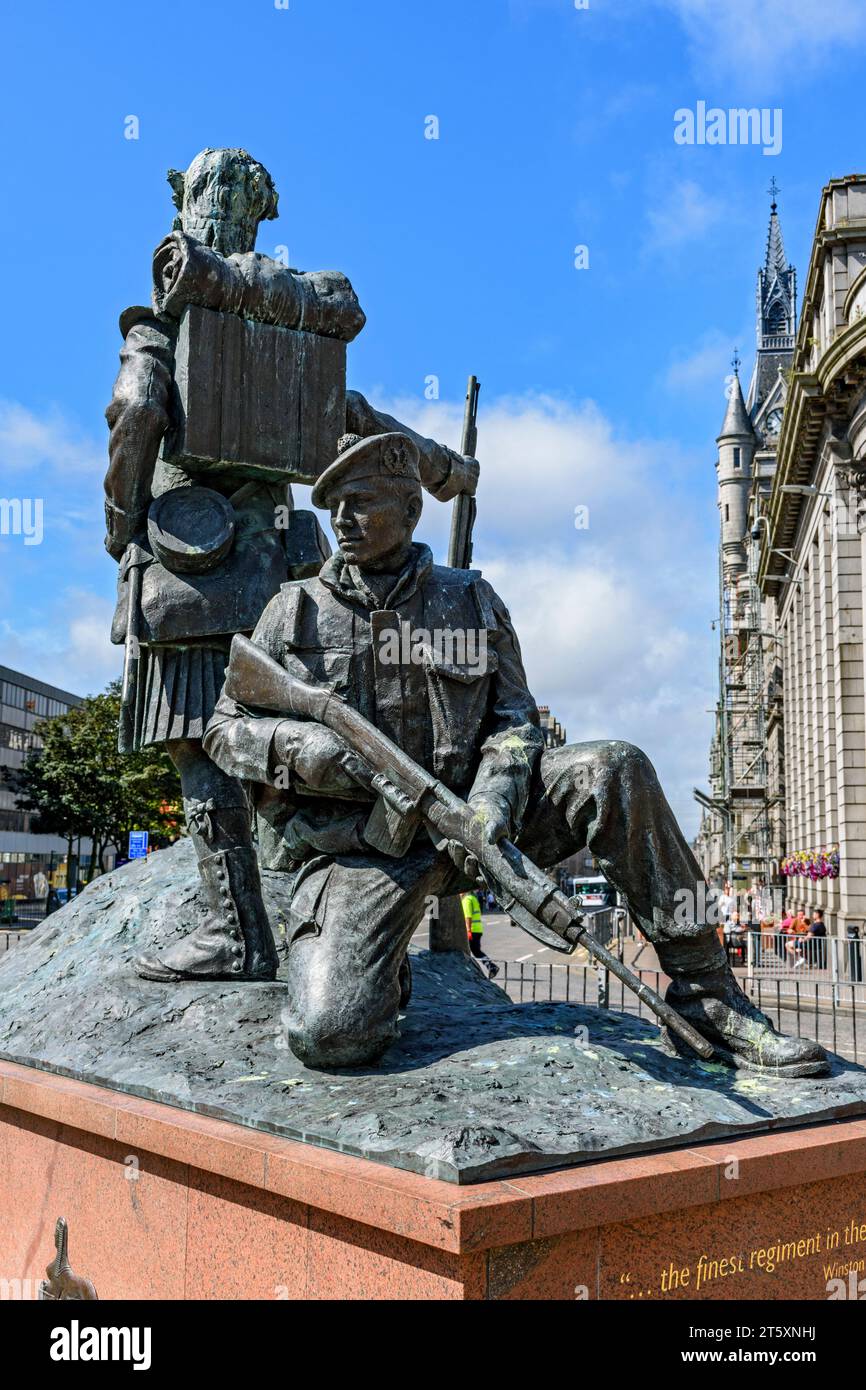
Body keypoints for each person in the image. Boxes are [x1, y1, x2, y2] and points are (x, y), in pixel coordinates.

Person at [202, 430, 828, 1076]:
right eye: (333, 504)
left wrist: (493, 799)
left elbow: (515, 719)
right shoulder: (295, 610)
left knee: (614, 767)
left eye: (360, 501)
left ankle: (708, 998)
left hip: (483, 825)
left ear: (411, 510)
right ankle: (379, 974)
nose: (341, 519)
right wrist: (299, 748)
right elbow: (225, 729)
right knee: (331, 1036)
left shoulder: (468, 599)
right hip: (365, 850)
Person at [461, 891, 499, 979]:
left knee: (465, 951)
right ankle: (491, 967)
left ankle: (469, 971)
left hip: (472, 930)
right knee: (476, 951)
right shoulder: (473, 898)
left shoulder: (466, 900)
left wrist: (468, 930)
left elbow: (468, 916)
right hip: (477, 929)